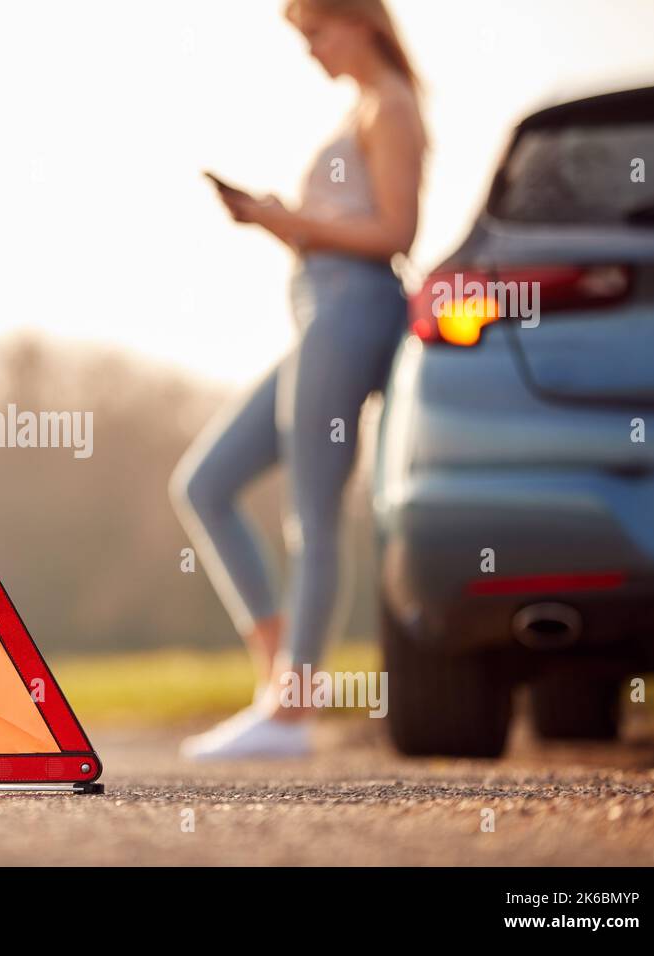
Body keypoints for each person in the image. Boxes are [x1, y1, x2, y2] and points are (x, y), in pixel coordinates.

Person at [170, 0, 426, 759]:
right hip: (321, 309)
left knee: (311, 510)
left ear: (361, 23)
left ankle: (292, 713)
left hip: (353, 309)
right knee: (204, 483)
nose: (311, 51)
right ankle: (278, 668)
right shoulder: (361, 109)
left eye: (316, 33)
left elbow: (396, 233)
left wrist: (291, 222)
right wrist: (280, 224)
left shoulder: (392, 108)